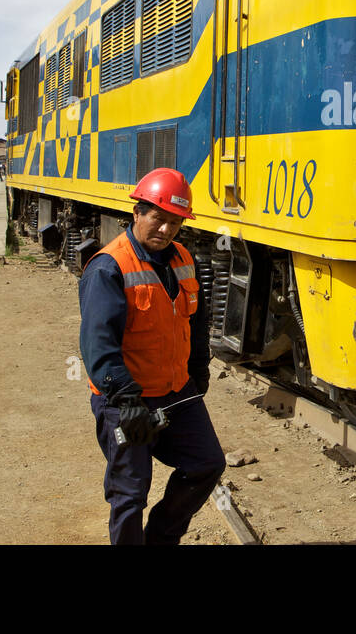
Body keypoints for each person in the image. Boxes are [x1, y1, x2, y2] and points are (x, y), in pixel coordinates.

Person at [78, 168, 222, 545]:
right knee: (130, 492)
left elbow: (197, 321)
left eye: (175, 222)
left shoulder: (184, 259)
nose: (166, 229)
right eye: (158, 218)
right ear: (137, 214)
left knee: (206, 464)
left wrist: (198, 369)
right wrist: (126, 401)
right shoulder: (109, 267)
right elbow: (97, 344)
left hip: (177, 394)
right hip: (128, 400)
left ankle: (159, 540)